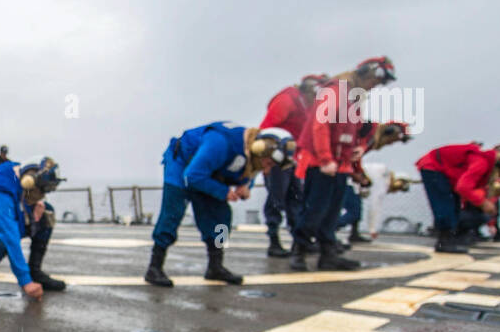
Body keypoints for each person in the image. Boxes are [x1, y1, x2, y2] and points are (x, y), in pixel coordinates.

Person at [144, 124, 296, 287]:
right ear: (262, 149)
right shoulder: (220, 143)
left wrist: (245, 187)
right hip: (181, 167)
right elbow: (192, 176)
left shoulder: (253, 156)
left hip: (208, 174)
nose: (267, 169)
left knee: (222, 219)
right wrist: (223, 191)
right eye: (269, 164)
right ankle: (155, 267)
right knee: (172, 214)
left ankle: (215, 266)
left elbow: (246, 174)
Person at [289, 57, 396, 271]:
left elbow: (351, 131)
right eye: (377, 80)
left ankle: (327, 255)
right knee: (315, 210)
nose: (377, 86)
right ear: (368, 72)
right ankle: (298, 251)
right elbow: (321, 125)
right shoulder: (336, 91)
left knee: (331, 213)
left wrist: (358, 149)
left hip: (340, 165)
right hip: (322, 164)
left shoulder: (354, 98)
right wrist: (325, 159)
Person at [0, 156, 67, 298]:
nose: (42, 195)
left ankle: (35, 271)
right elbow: (9, 235)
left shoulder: (16, 172)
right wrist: (26, 282)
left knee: (46, 213)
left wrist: (34, 208)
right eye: (42, 190)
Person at [260, 74, 326, 257]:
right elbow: (266, 129)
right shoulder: (286, 100)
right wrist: (266, 162)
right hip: (276, 158)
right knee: (276, 198)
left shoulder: (308, 106)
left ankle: (299, 242)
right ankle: (274, 241)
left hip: (293, 160)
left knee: (296, 199)